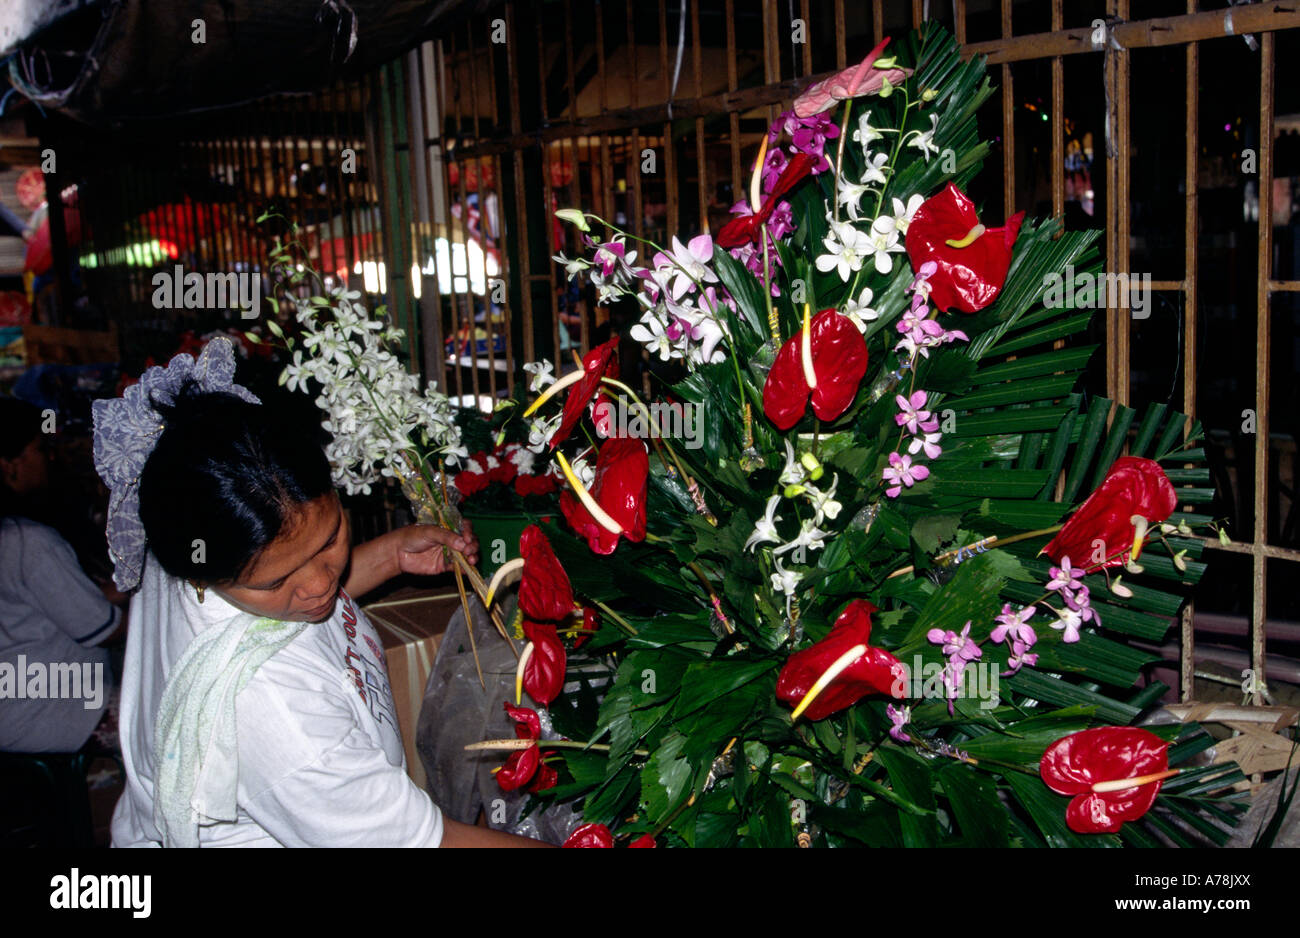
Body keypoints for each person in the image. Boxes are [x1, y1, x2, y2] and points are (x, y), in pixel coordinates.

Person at [96, 339, 545, 847]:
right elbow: (428, 843)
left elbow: (276, 604)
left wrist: (390, 554)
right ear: (201, 577)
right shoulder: (275, 711)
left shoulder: (187, 502)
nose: (320, 584)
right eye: (275, 583)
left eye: (330, 538)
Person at [0, 397, 122, 753]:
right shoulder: (27, 541)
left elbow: (62, 603)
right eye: (40, 449)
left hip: (16, 701)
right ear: (9, 465)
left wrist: (128, 586)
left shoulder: (14, 537)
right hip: (44, 709)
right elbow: (105, 629)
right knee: (170, 713)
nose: (49, 459)